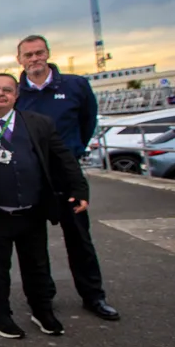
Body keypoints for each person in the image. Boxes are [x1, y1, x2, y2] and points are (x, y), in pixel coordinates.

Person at [0, 73, 89, 339]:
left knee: (37, 265)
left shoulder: (39, 124)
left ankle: (42, 310)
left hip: (33, 210)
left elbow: (64, 158)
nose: (0, 94)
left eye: (7, 90)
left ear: (16, 95)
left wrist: (79, 189)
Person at [14, 35, 119, 321]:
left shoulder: (75, 86)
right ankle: (42, 298)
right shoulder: (16, 94)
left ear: (47, 54)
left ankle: (94, 296)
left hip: (67, 174)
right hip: (33, 177)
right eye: (28, 55)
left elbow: (88, 122)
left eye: (39, 53)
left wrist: (72, 153)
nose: (34, 59)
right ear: (19, 60)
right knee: (33, 244)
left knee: (80, 239)